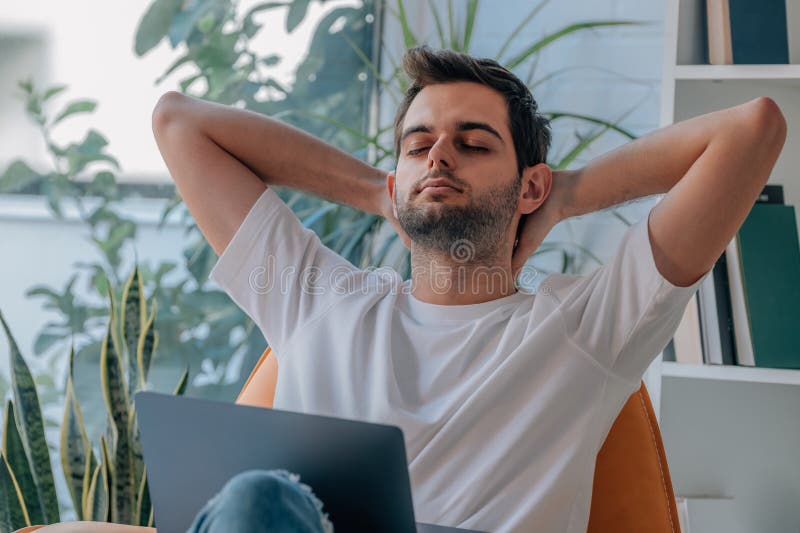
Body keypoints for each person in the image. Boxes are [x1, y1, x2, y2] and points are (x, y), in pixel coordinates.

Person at [33, 45, 785, 533]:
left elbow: (752, 129)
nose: (440, 157)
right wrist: (378, 189)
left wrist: (562, 195)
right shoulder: (320, 297)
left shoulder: (586, 325)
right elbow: (179, 123)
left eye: (473, 142)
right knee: (259, 500)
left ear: (527, 183)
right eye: (420, 143)